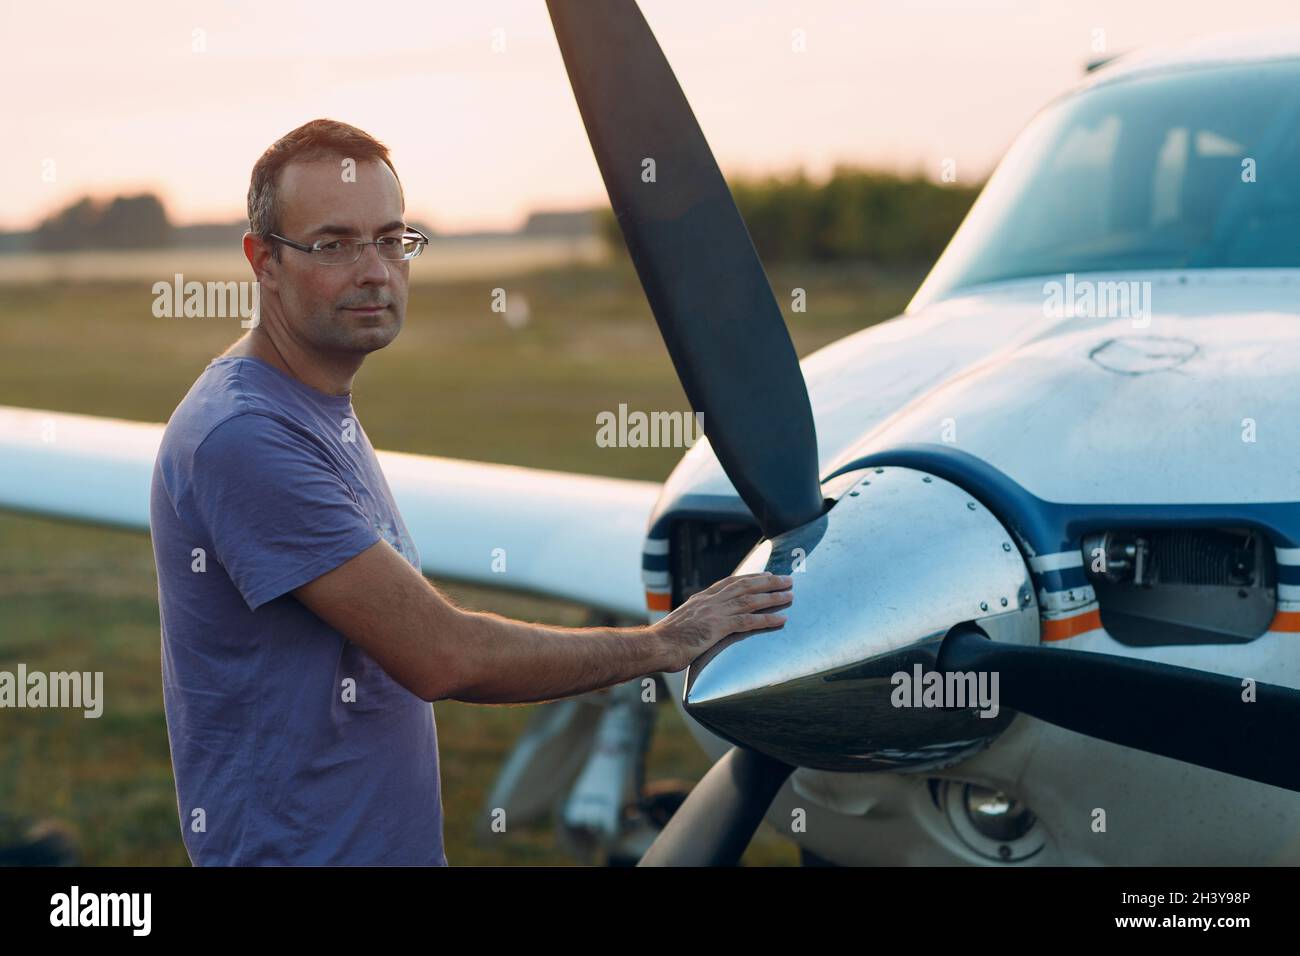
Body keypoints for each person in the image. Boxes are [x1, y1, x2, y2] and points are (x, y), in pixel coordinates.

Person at [149, 118, 793, 865]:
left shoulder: (309, 400)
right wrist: (663, 644)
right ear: (263, 261)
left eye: (393, 239)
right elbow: (442, 656)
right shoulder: (245, 436)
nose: (375, 270)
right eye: (334, 244)